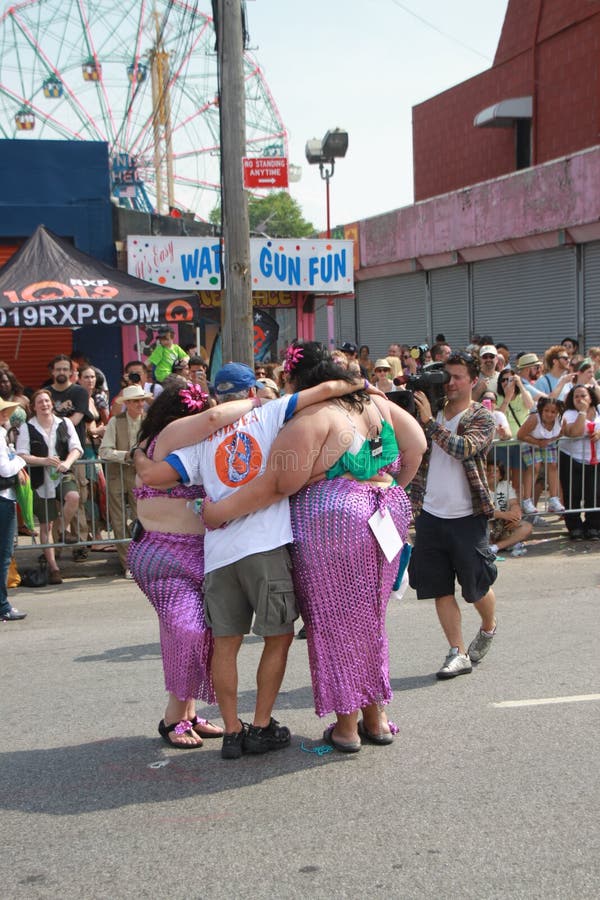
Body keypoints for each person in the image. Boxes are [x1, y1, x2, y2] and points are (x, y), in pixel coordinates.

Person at [134, 360, 380, 759]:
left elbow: (156, 477)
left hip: (217, 555)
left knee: (225, 644)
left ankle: (232, 731)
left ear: (216, 395)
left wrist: (141, 461)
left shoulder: (200, 442)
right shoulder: (271, 416)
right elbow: (319, 393)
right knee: (277, 638)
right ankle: (261, 726)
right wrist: (358, 383)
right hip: (265, 549)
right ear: (252, 392)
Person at [202, 342, 426, 752]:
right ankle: (375, 718)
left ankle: (347, 727)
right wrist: (392, 487)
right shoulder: (374, 404)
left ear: (295, 381)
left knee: (338, 624)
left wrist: (221, 511)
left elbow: (278, 485)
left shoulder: (312, 417)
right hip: (384, 512)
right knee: (369, 619)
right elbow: (417, 446)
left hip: (335, 522)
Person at [129, 381, 248, 748]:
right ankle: (172, 718)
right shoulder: (167, 437)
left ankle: (189, 712)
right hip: (163, 556)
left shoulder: (184, 450)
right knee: (189, 632)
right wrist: (264, 401)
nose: (203, 423)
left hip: (198, 555)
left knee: (196, 634)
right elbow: (213, 417)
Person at [408, 350, 498, 679]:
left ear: (474, 381)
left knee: (475, 587)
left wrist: (430, 422)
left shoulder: (482, 417)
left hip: (468, 516)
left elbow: (463, 448)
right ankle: (457, 651)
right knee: (439, 588)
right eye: (448, 376)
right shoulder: (429, 411)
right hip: (430, 514)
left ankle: (488, 626)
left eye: (458, 377)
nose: (451, 383)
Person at [16, 389, 82, 585]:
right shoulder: (28, 428)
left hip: (62, 473)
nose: (44, 404)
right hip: (39, 479)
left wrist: (67, 462)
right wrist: (43, 460)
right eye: (40, 402)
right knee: (46, 525)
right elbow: (21, 454)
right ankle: (54, 567)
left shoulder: (65, 423)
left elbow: (76, 447)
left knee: (73, 497)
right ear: (34, 407)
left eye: (47, 401)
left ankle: (62, 527)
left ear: (52, 403)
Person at [99, 384, 149, 578]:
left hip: (140, 476)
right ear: (127, 403)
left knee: (141, 519)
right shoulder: (114, 422)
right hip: (117, 476)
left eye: (142, 400)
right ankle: (127, 564)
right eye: (136, 400)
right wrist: (127, 455)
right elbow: (104, 451)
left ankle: (141, 562)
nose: (140, 404)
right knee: (119, 522)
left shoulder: (148, 421)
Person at [47, 354, 90, 549]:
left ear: (72, 373)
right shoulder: (45, 393)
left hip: (75, 454)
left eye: (66, 369)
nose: (62, 372)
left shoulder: (79, 392)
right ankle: (56, 544)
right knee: (55, 504)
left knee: (78, 499)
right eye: (58, 369)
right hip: (52, 456)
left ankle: (79, 546)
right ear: (52, 372)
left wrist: (54, 420)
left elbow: (75, 420)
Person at [559, 385, 600, 540]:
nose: (580, 399)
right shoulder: (569, 413)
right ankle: (575, 527)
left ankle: (594, 526)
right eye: (576, 396)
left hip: (595, 460)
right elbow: (574, 432)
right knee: (573, 494)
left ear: (591, 397)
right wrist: (582, 412)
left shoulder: (599, 410)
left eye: (583, 395)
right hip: (572, 458)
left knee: (595, 494)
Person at [0, 398, 28, 621]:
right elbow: (5, 468)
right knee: (3, 556)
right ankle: (2, 606)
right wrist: (19, 460)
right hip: (2, 499)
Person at [517, 397, 565, 515]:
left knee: (553, 465)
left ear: (558, 412)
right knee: (535, 466)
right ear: (541, 410)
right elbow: (521, 435)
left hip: (547, 443)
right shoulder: (534, 419)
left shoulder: (561, 420)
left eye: (553, 412)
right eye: (546, 410)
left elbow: (560, 433)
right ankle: (526, 500)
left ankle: (554, 498)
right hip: (529, 442)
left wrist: (549, 440)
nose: (549, 414)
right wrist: (538, 442)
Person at [487, 458, 533, 559]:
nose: (491, 473)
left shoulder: (505, 485)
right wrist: (505, 515)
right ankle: (508, 544)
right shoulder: (481, 487)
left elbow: (514, 504)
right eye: (488, 470)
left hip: (504, 524)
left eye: (495, 471)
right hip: (488, 524)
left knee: (527, 527)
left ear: (500, 475)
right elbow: (485, 511)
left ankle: (495, 547)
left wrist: (516, 516)